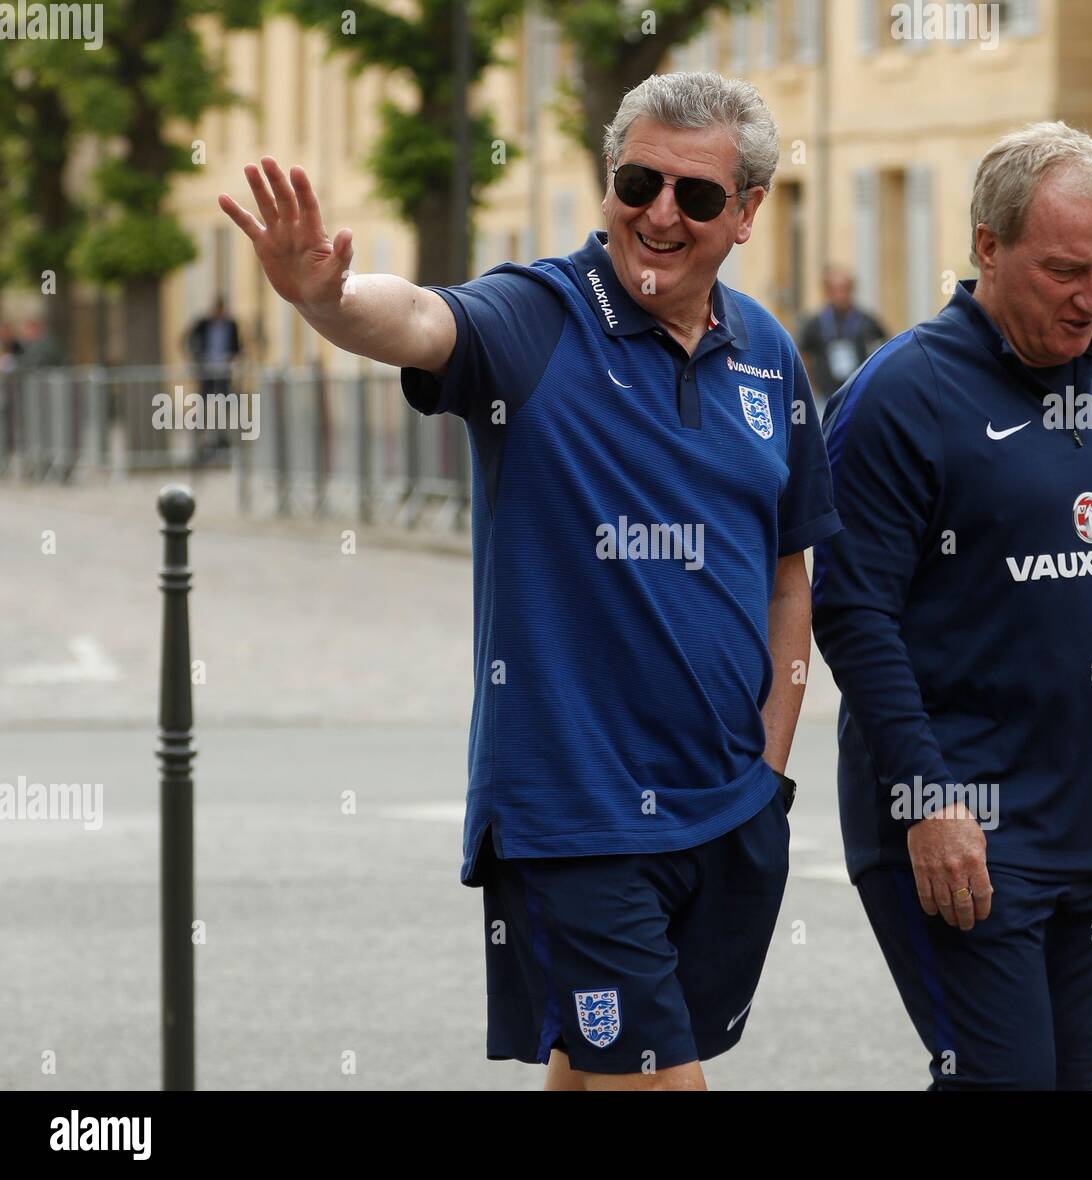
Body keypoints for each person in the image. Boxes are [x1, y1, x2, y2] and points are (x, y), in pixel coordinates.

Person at [218, 71, 840, 1091]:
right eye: (638, 181)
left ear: (747, 213)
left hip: (727, 806)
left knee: (587, 1067)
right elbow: (419, 320)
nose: (658, 213)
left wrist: (767, 770)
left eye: (693, 195)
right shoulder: (538, 320)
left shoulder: (769, 356)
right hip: (575, 818)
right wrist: (325, 297)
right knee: (655, 1080)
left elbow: (787, 576)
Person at [812, 121, 1092, 1091]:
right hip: (950, 820)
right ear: (985, 247)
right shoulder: (900, 395)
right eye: (1063, 268)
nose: (1090, 297)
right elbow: (850, 612)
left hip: (1090, 828)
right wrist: (929, 798)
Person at [798, 266, 887, 406]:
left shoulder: (865, 320)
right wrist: (811, 388)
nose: (841, 295)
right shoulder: (815, 323)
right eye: (836, 290)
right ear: (827, 292)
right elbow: (803, 355)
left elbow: (885, 347)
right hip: (825, 396)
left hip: (858, 392)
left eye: (845, 289)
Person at [185, 296, 242, 459]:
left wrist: (232, 358)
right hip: (207, 371)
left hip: (224, 371)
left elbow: (237, 346)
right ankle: (200, 439)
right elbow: (189, 340)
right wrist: (197, 356)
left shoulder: (231, 325)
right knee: (202, 405)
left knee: (224, 404)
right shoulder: (203, 324)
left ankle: (222, 438)